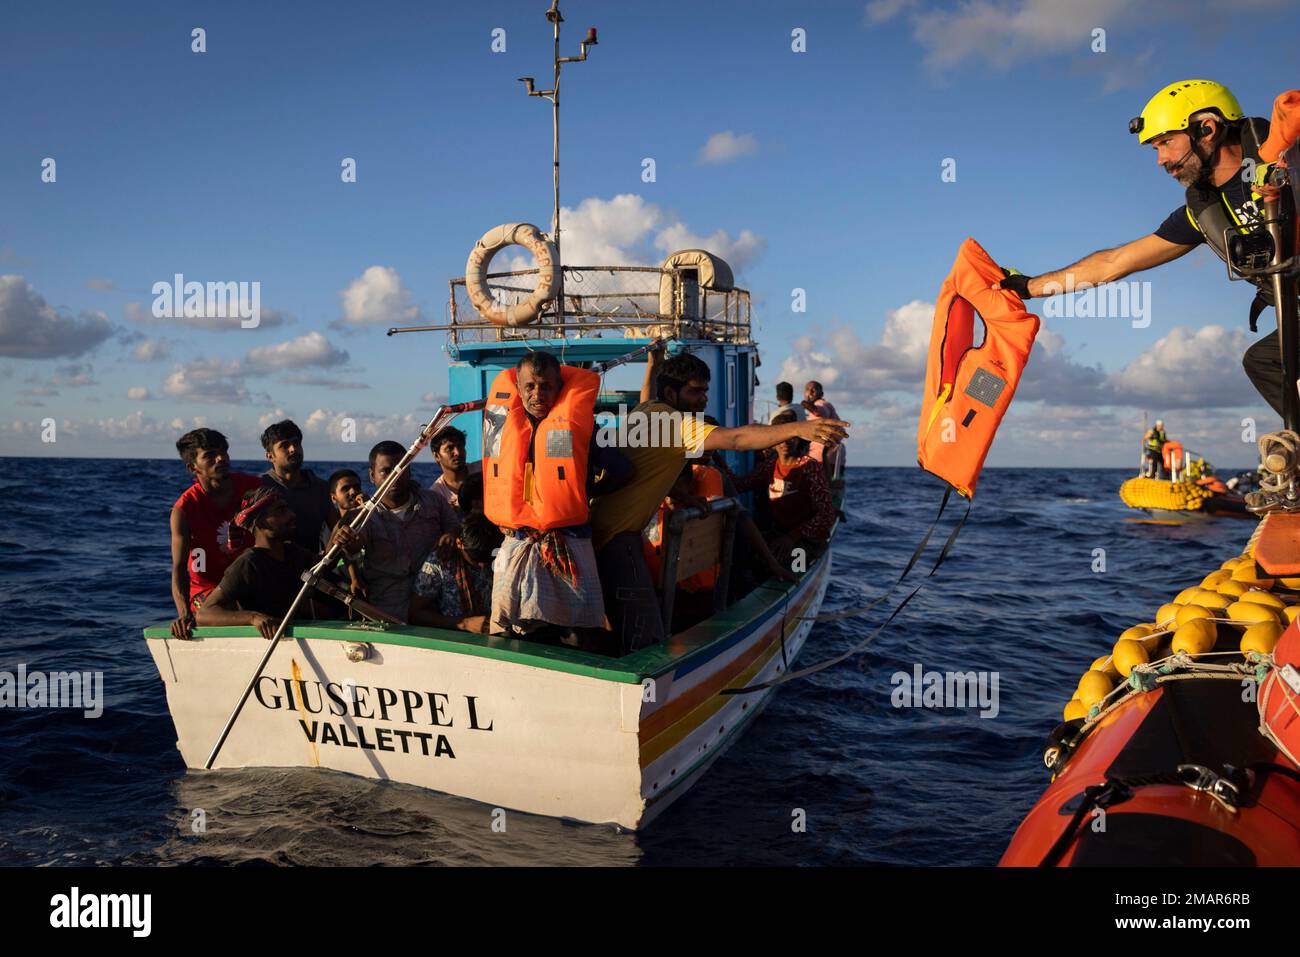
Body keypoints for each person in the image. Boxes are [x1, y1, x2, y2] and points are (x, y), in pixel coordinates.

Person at [994, 81, 1299, 421]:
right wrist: (1029, 287)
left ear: (1207, 129)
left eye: (1166, 142)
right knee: (1264, 361)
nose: (1160, 160)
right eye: (1155, 148)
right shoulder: (1205, 213)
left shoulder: (1286, 162)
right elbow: (1113, 263)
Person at [589, 348, 849, 653]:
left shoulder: (646, 413)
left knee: (612, 622)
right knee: (643, 641)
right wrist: (798, 428)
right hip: (620, 541)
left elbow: (647, 466)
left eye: (706, 391)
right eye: (695, 391)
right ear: (672, 393)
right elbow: (737, 438)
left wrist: (684, 495)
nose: (704, 399)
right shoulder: (677, 424)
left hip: (597, 531)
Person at [483, 351, 631, 647]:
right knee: (507, 630)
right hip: (516, 541)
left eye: (546, 386)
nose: (538, 393)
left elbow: (624, 470)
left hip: (568, 540)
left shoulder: (579, 429)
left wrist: (588, 494)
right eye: (530, 386)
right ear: (519, 387)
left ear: (559, 388)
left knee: (578, 632)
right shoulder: (502, 428)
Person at [329, 440, 461, 622]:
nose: (395, 476)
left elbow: (454, 526)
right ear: (372, 475)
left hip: (436, 608)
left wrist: (450, 535)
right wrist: (348, 544)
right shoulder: (363, 517)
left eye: (401, 469)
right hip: (387, 611)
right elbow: (350, 547)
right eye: (386, 471)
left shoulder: (434, 502)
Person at [197, 487, 343, 639]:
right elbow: (204, 614)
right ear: (260, 522)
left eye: (288, 509)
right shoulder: (248, 563)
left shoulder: (292, 552)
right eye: (281, 511)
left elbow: (324, 566)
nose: (292, 515)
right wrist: (252, 618)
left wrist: (338, 539)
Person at [169, 428, 263, 640]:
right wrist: (184, 615)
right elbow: (179, 568)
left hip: (251, 580)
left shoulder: (253, 488)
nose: (221, 458)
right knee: (216, 610)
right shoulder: (184, 509)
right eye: (210, 455)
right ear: (193, 467)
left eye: (223, 452)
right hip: (209, 591)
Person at [731, 409, 836, 568]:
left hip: (807, 540)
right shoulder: (770, 466)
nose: (785, 442)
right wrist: (715, 459)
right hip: (780, 535)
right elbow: (739, 485)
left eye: (791, 437)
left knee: (795, 564)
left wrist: (793, 537)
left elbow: (826, 515)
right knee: (743, 555)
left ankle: (795, 580)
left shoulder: (809, 467)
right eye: (781, 437)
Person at [409, 512, 503, 634]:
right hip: (457, 639)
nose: (483, 566)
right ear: (459, 544)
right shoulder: (441, 562)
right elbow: (416, 613)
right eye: (477, 559)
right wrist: (464, 624)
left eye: (488, 560)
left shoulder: (501, 553)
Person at [259, 419, 336, 552]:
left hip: (312, 568)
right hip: (269, 569)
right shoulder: (260, 487)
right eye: (284, 445)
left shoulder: (320, 488)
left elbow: (337, 528)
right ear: (270, 456)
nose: (293, 449)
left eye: (296, 443)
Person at [428, 426, 482, 510]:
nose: (457, 452)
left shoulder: (485, 469)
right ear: (436, 456)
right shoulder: (435, 496)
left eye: (460, 446)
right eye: (449, 448)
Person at [802, 380, 846, 483]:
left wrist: (811, 407)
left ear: (821, 394)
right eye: (808, 389)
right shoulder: (811, 412)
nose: (811, 392)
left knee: (829, 486)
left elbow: (821, 411)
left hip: (828, 455)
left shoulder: (822, 404)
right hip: (826, 455)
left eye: (814, 389)